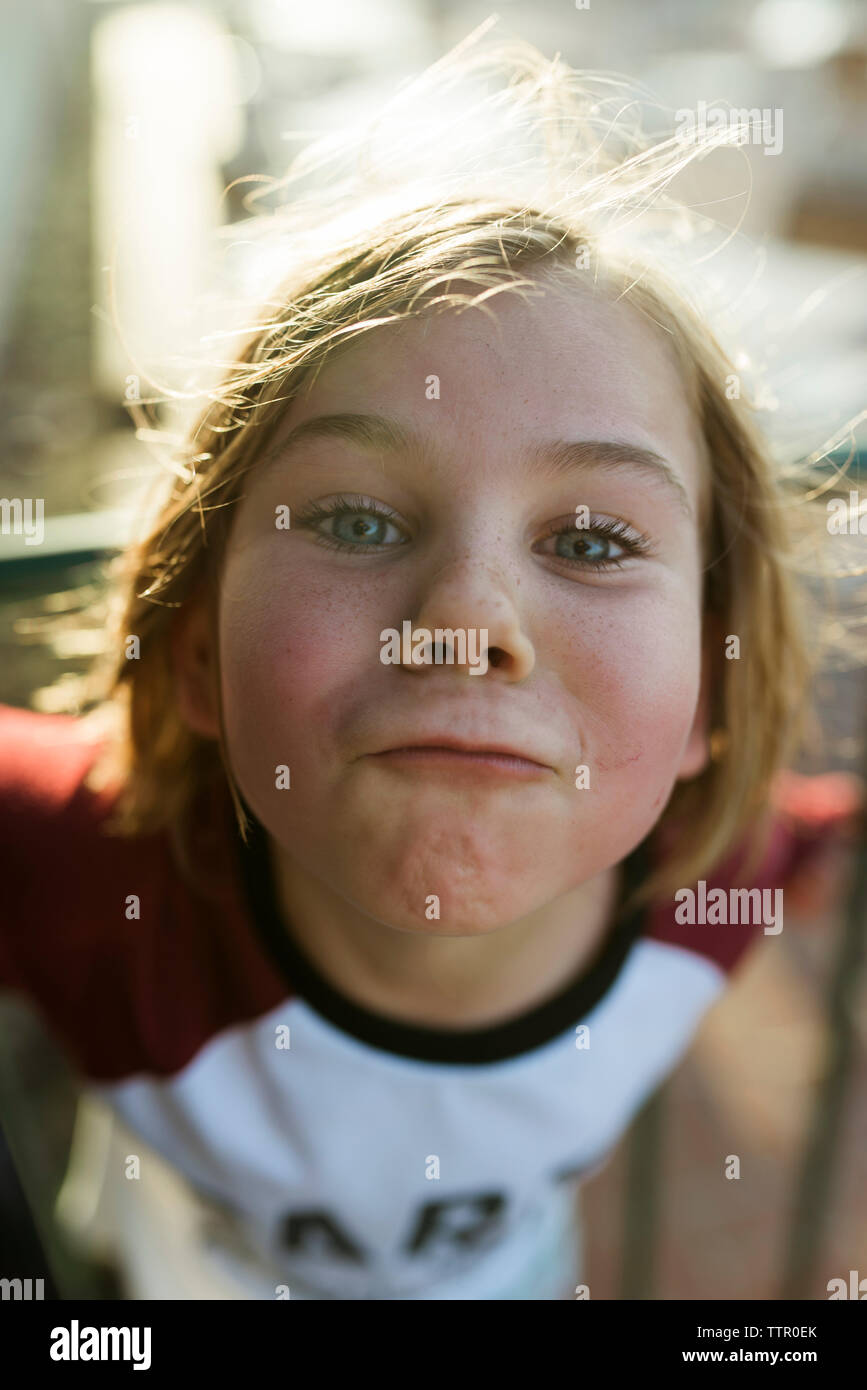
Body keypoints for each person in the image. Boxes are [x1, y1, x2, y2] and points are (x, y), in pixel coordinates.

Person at [0, 34, 862, 1300]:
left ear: (712, 700)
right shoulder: (76, 864)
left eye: (590, 539)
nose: (465, 621)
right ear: (194, 651)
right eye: (356, 522)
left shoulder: (725, 887)